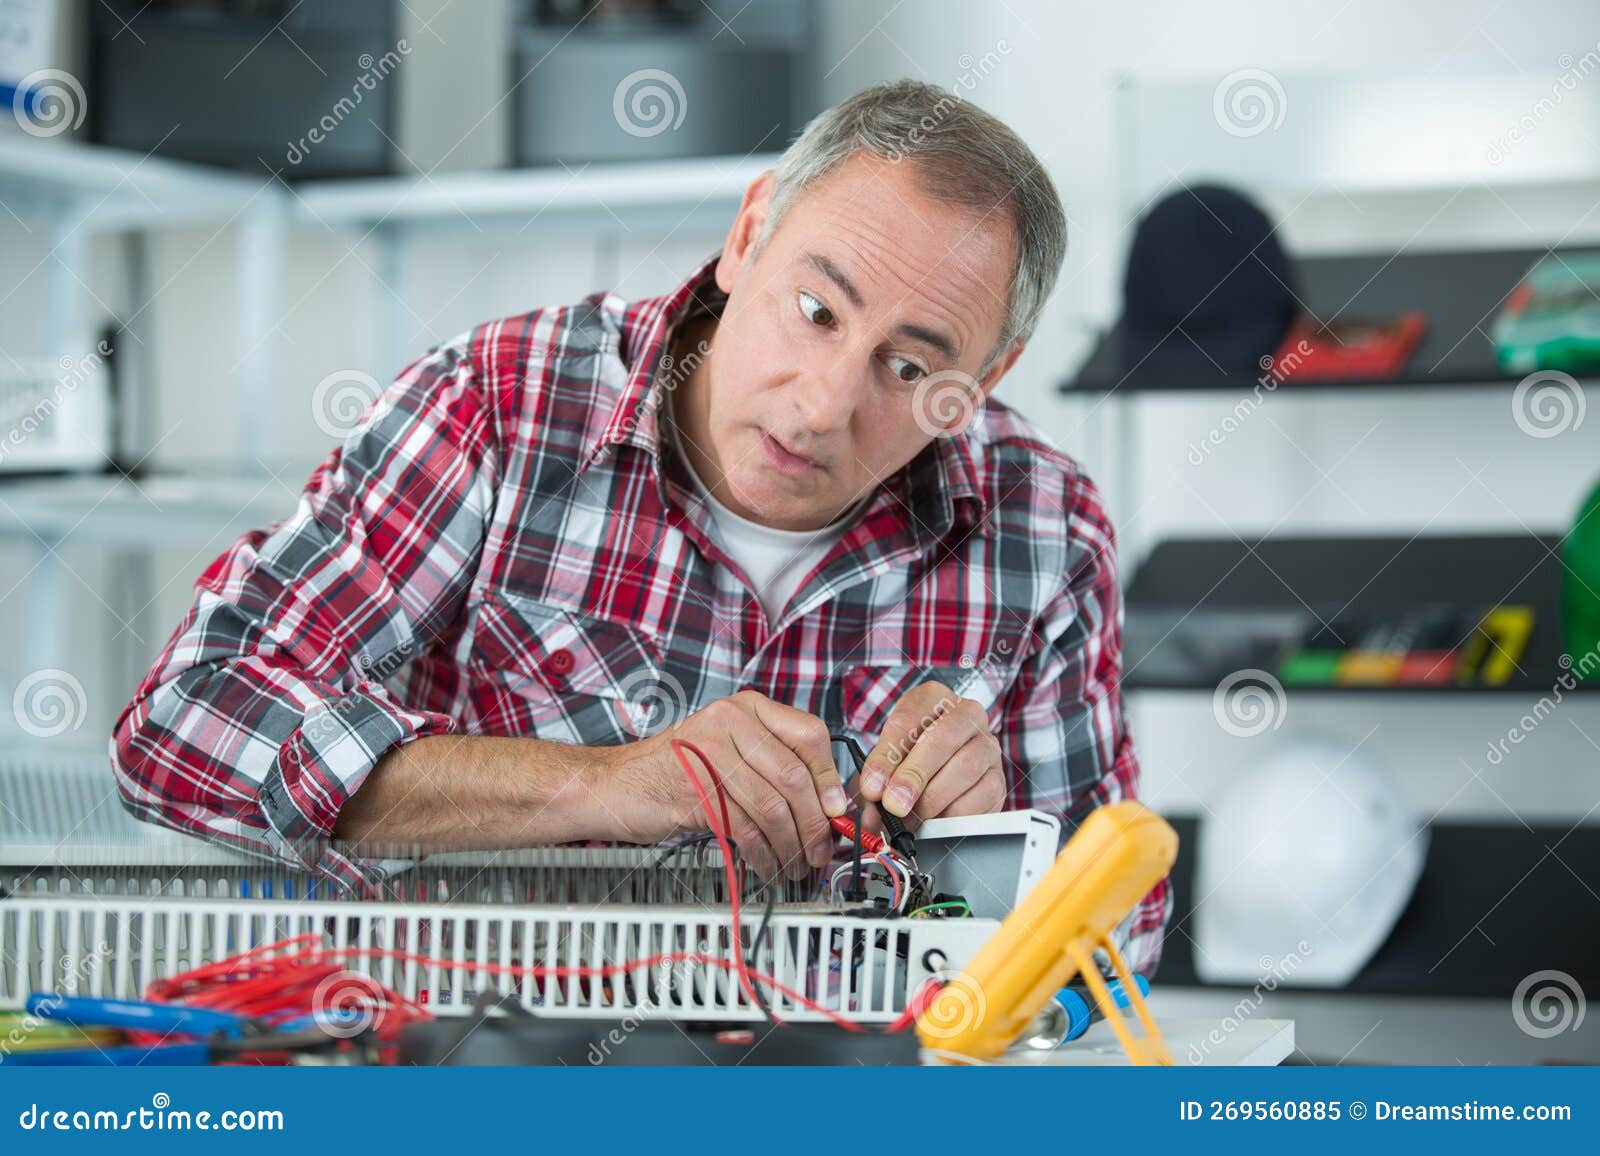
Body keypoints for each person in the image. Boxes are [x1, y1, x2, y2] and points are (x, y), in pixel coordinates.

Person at [111, 79, 1170, 973]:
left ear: (984, 379)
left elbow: (1111, 941)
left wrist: (990, 853)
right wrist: (601, 784)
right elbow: (182, 725)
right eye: (815, 310)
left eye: (909, 366)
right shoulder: (498, 405)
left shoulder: (1046, 525)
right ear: (748, 236)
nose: (821, 404)